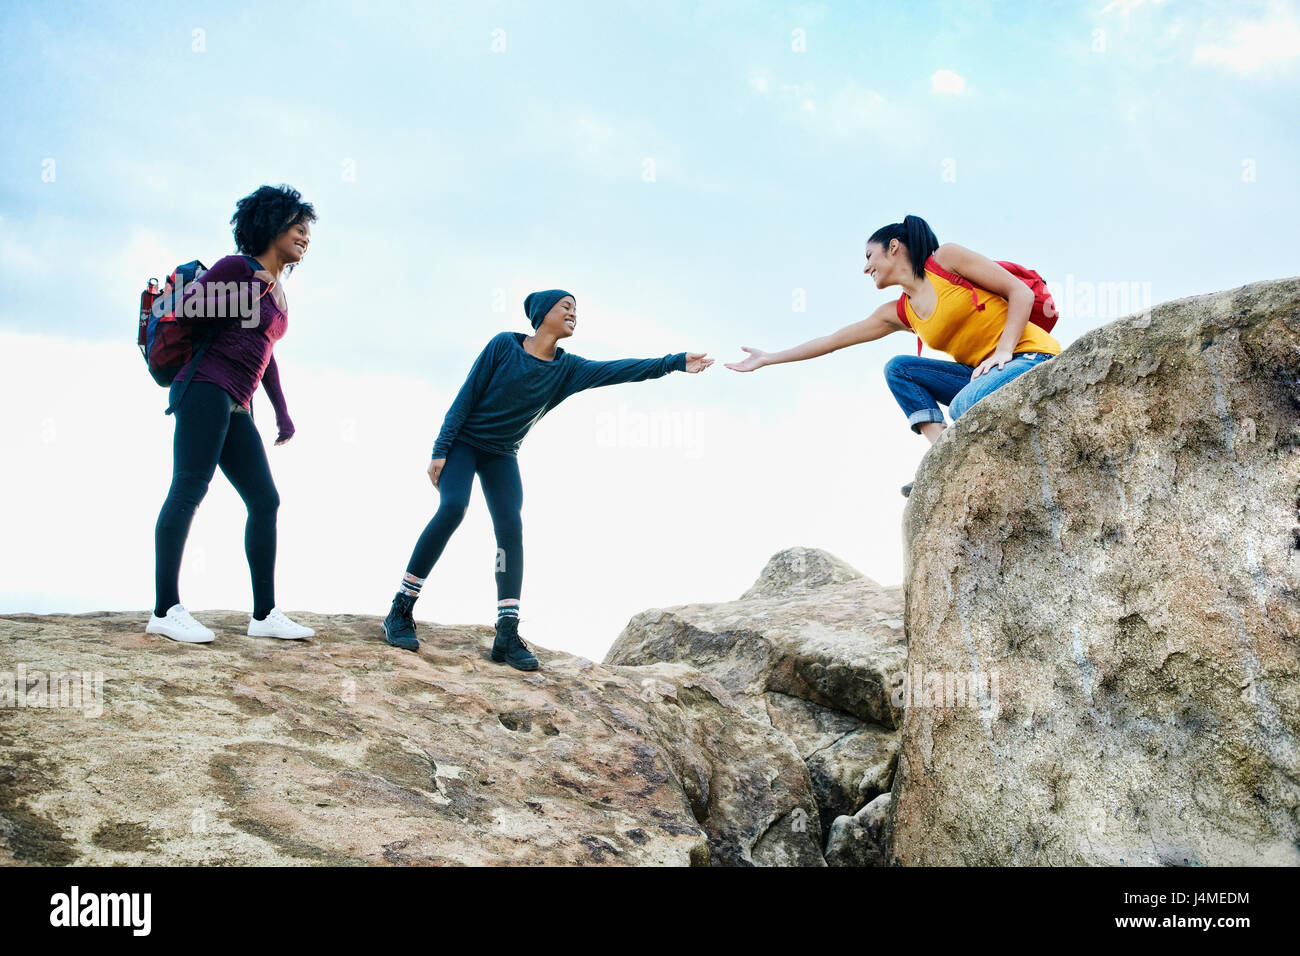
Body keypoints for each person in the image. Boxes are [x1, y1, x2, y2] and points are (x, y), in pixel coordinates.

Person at [383, 290, 713, 668]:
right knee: (454, 507)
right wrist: (441, 448)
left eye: (577, 309)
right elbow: (466, 395)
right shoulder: (503, 346)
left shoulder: (567, 369)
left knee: (510, 527)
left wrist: (674, 363)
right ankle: (401, 608)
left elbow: (620, 369)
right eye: (566, 307)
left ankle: (506, 633)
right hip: (464, 443)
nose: (574, 313)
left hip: (502, 454)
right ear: (543, 314)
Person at [725, 214, 1061, 495]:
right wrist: (768, 357)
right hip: (983, 376)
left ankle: (953, 456)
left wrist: (1004, 350)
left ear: (894, 248)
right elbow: (832, 340)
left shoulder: (946, 260)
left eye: (869, 256)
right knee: (899, 368)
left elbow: (1018, 292)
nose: (865, 267)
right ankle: (944, 457)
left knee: (962, 405)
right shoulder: (900, 311)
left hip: (1028, 357)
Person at [147, 184, 317, 643]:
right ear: (268, 225)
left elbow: (266, 352)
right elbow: (190, 309)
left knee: (265, 500)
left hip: (238, 403)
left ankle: (264, 616)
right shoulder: (236, 268)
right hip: (202, 388)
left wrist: (283, 412)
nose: (305, 233)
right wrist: (249, 291)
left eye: (308, 227)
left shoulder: (277, 292)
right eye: (295, 224)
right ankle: (165, 609)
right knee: (189, 488)